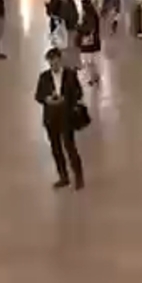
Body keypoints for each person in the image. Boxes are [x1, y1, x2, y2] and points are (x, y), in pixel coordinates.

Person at [34, 49, 85, 190]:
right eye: (51, 63)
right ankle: (63, 176)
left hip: (66, 116)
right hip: (51, 118)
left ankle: (79, 176)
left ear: (60, 60)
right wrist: (47, 99)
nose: (53, 65)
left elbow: (79, 93)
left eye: (55, 62)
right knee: (56, 148)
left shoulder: (70, 75)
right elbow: (38, 96)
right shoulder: (44, 77)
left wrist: (66, 100)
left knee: (69, 146)